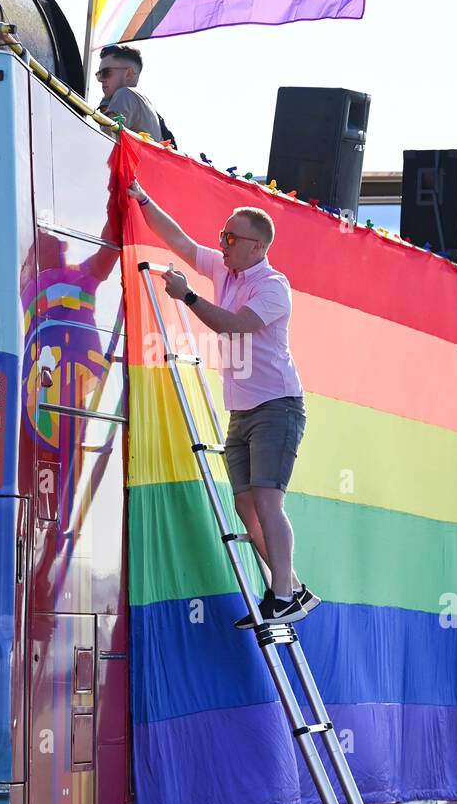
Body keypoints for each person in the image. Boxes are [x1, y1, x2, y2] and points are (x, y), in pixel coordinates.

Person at [127, 178, 318, 626]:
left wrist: (188, 297)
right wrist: (143, 197)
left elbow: (233, 327)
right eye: (222, 236)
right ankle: (289, 589)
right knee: (245, 505)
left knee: (268, 503)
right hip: (244, 409)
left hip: (277, 405)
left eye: (231, 238)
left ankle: (284, 595)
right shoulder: (225, 270)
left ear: (257, 246)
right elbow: (179, 240)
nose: (222, 244)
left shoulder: (273, 285)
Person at [96, 45, 174, 145]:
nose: (101, 79)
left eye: (106, 72)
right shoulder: (143, 103)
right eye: (99, 74)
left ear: (128, 73)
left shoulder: (124, 94)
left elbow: (103, 141)